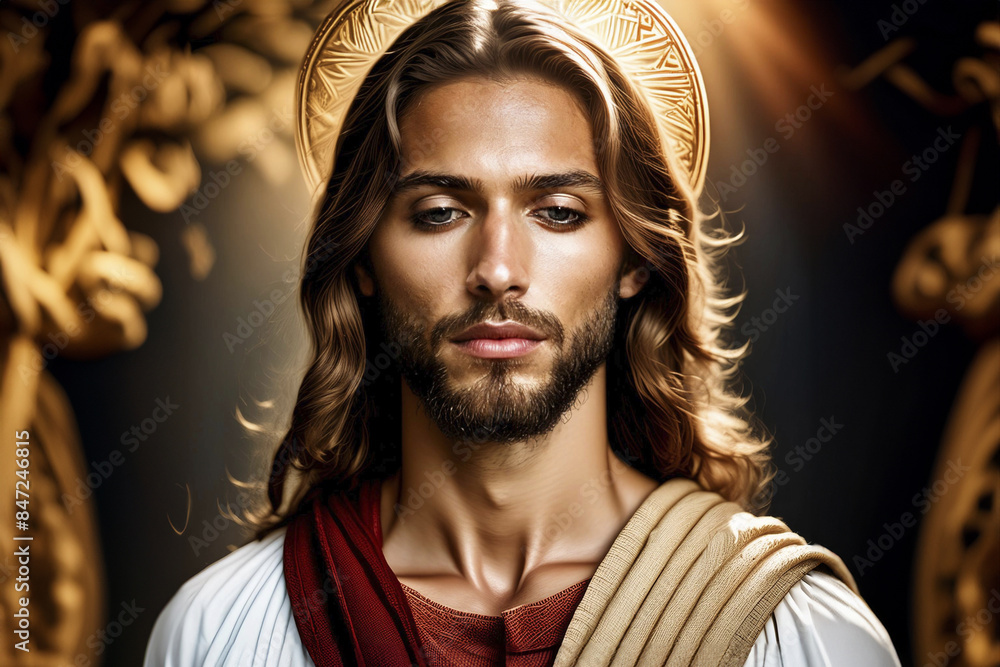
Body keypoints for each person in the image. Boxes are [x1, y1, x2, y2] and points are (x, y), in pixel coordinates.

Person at [145, 0, 902, 665]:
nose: (498, 269)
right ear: (365, 257)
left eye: (559, 212)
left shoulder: (798, 636)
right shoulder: (220, 632)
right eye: (440, 212)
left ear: (634, 257)